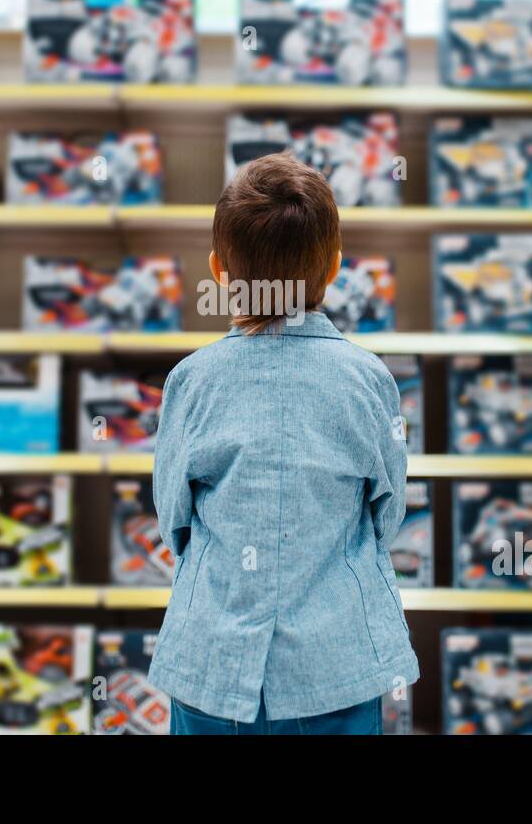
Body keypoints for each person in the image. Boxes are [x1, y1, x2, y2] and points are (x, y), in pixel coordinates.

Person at [147, 153, 418, 735]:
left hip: (214, 670)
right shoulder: (370, 380)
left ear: (220, 270)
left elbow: (174, 519)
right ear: (335, 267)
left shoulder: (191, 381)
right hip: (336, 671)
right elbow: (386, 514)